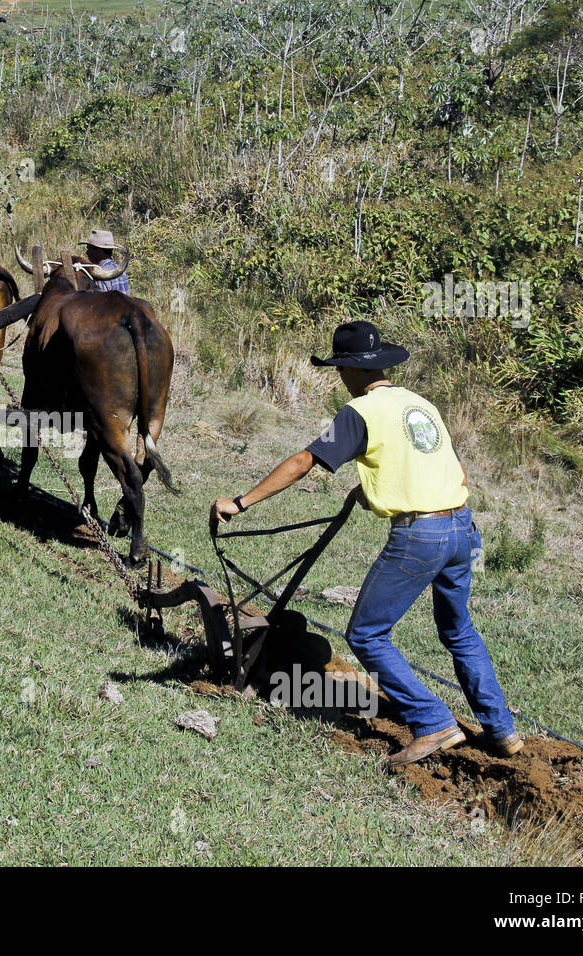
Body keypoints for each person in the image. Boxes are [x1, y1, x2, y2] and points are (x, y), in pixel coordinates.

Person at [209, 320, 522, 768]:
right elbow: (451, 470)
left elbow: (303, 461)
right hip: (462, 527)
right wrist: (372, 489)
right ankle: (502, 729)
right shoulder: (420, 405)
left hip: (422, 536)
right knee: (459, 631)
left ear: (349, 370)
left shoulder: (360, 413)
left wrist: (241, 502)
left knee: (366, 634)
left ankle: (433, 722)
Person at [80, 228, 129, 293]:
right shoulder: (118, 270)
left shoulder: (100, 273)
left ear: (99, 251)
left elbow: (100, 300)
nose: (87, 252)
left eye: (89, 249)